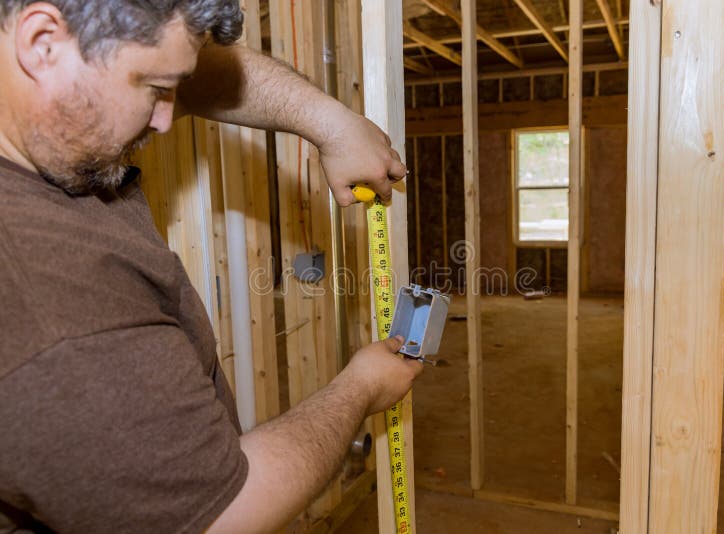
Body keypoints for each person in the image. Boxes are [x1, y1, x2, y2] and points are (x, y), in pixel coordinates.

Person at [0, 1, 422, 532]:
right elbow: (225, 514)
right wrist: (361, 388)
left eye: (175, 86)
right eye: (155, 89)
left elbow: (191, 70)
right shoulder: (49, 309)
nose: (167, 118)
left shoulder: (40, 101)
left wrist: (330, 123)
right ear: (41, 43)